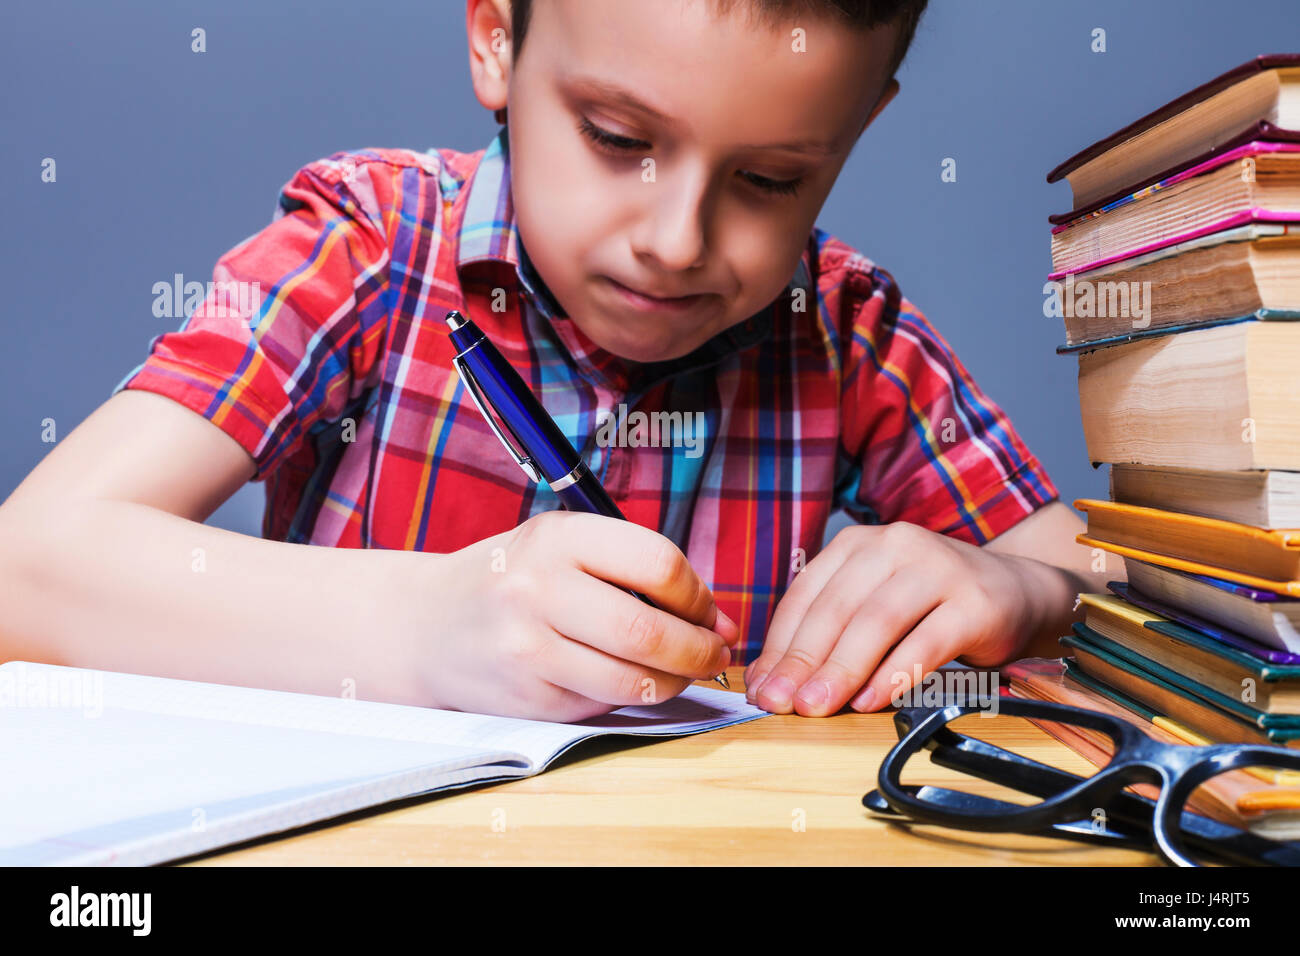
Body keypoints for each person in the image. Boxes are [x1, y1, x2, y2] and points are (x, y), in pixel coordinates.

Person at [0, 0, 1114, 722]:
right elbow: (28, 568)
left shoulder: (846, 334)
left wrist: (1019, 589)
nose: (675, 241)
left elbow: (1145, 590)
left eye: (770, 179)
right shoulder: (370, 246)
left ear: (860, 126)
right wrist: (426, 626)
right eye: (619, 139)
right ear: (495, 36)